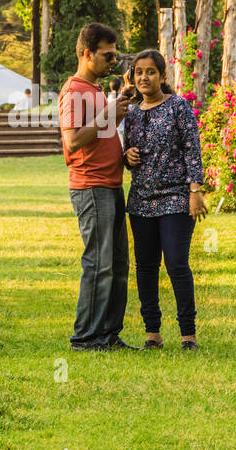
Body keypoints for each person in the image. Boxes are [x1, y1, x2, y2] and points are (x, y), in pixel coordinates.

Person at [122, 49, 207, 351]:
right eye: (138, 72)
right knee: (145, 267)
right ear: (132, 76)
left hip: (176, 198)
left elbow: (192, 151)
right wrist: (126, 156)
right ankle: (152, 333)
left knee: (176, 263)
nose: (144, 77)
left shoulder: (178, 107)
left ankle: (188, 335)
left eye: (150, 72)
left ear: (162, 76)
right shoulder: (129, 113)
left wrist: (195, 192)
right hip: (141, 201)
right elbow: (125, 151)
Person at [60, 23, 137, 352]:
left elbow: (101, 131)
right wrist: (109, 111)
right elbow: (73, 140)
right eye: (108, 55)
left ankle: (108, 335)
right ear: (88, 54)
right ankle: (86, 338)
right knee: (99, 263)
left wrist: (120, 103)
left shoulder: (95, 91)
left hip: (110, 185)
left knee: (118, 264)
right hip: (91, 187)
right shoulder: (75, 91)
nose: (113, 61)